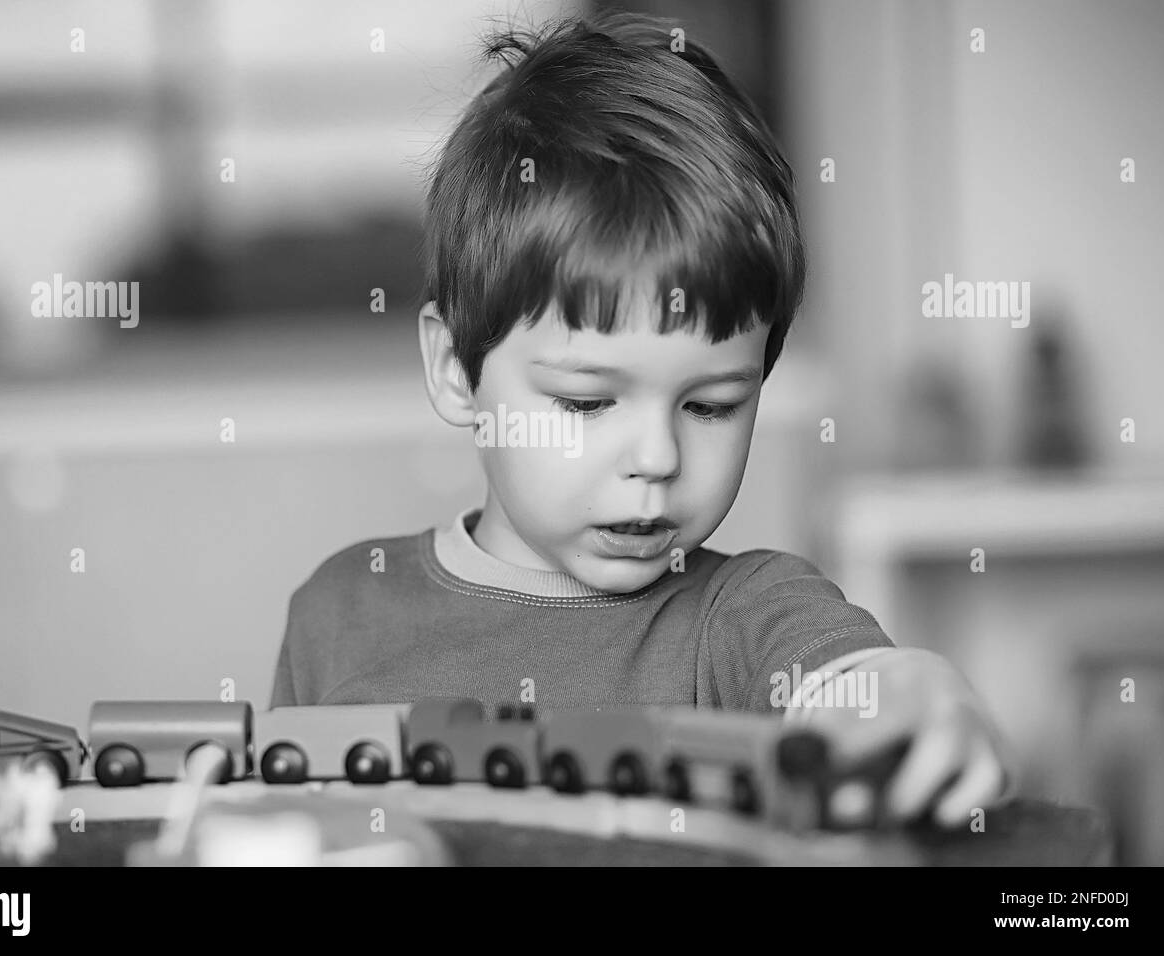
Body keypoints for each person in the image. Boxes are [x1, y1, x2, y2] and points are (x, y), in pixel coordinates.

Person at [270, 11, 1013, 827]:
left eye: (711, 405)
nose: (657, 457)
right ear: (456, 369)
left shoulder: (747, 613)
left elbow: (858, 686)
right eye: (587, 402)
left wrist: (917, 692)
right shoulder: (338, 612)